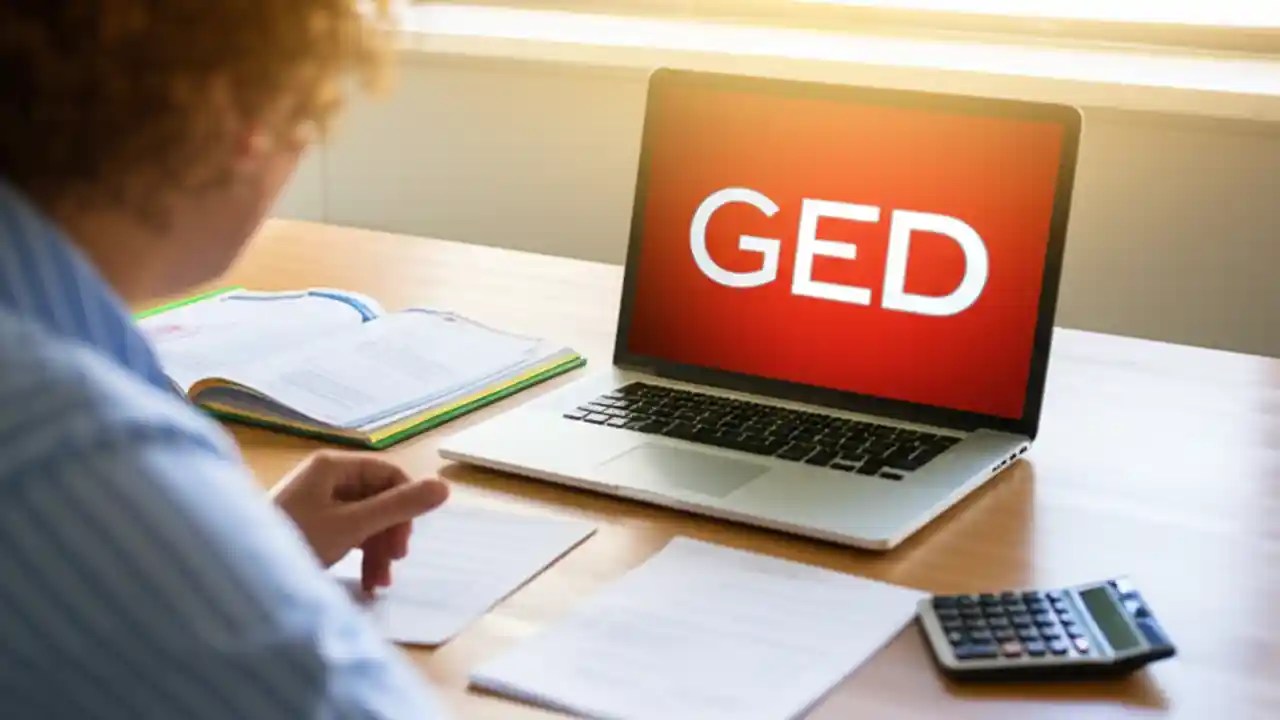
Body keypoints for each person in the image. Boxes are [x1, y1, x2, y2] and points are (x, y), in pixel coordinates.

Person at [0, 2, 452, 717]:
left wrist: (236, 548)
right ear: (233, 114)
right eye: (308, 115)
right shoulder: (73, 445)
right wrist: (173, 542)